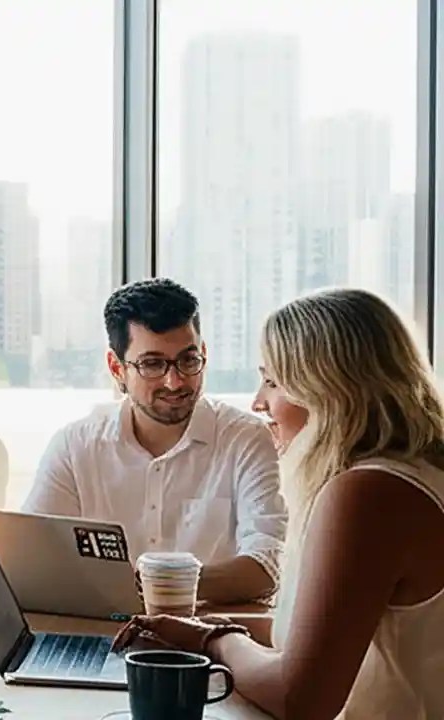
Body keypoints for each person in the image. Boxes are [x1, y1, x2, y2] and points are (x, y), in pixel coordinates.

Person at [113, 288, 444, 719]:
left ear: (328, 389)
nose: (258, 402)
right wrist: (199, 629)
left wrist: (214, 642)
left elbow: (298, 698)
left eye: (272, 381)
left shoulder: (370, 495)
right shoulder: (415, 475)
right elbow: (321, 637)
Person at [23, 278, 286, 605]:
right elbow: (32, 560)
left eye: (188, 361)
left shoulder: (245, 438)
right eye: (152, 364)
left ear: (203, 353)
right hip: (107, 637)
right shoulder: (75, 447)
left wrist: (151, 583)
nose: (174, 381)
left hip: (217, 639)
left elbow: (267, 566)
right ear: (117, 368)